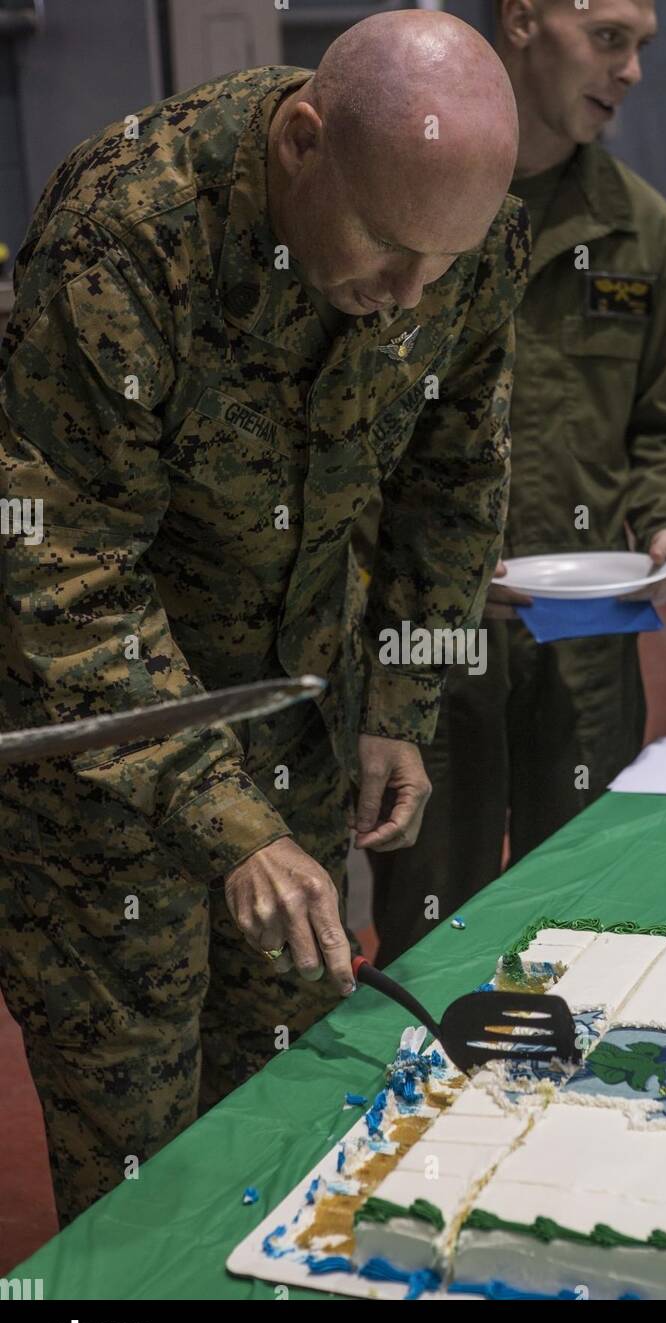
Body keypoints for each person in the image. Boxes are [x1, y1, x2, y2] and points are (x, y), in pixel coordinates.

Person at [0, 10, 529, 1223]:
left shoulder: (459, 228)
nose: (406, 301)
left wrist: (399, 699)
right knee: (139, 1145)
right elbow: (63, 573)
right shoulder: (127, 237)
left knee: (291, 1090)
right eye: (388, 251)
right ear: (302, 142)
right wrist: (227, 822)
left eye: (439, 269)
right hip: (102, 766)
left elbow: (454, 470)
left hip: (297, 721)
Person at [369, 0, 666, 968]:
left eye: (641, 46)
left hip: (587, 637)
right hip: (433, 642)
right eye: (608, 38)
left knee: (587, 922)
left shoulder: (639, 228)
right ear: (521, 20)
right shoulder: (415, 204)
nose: (632, 70)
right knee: (430, 935)